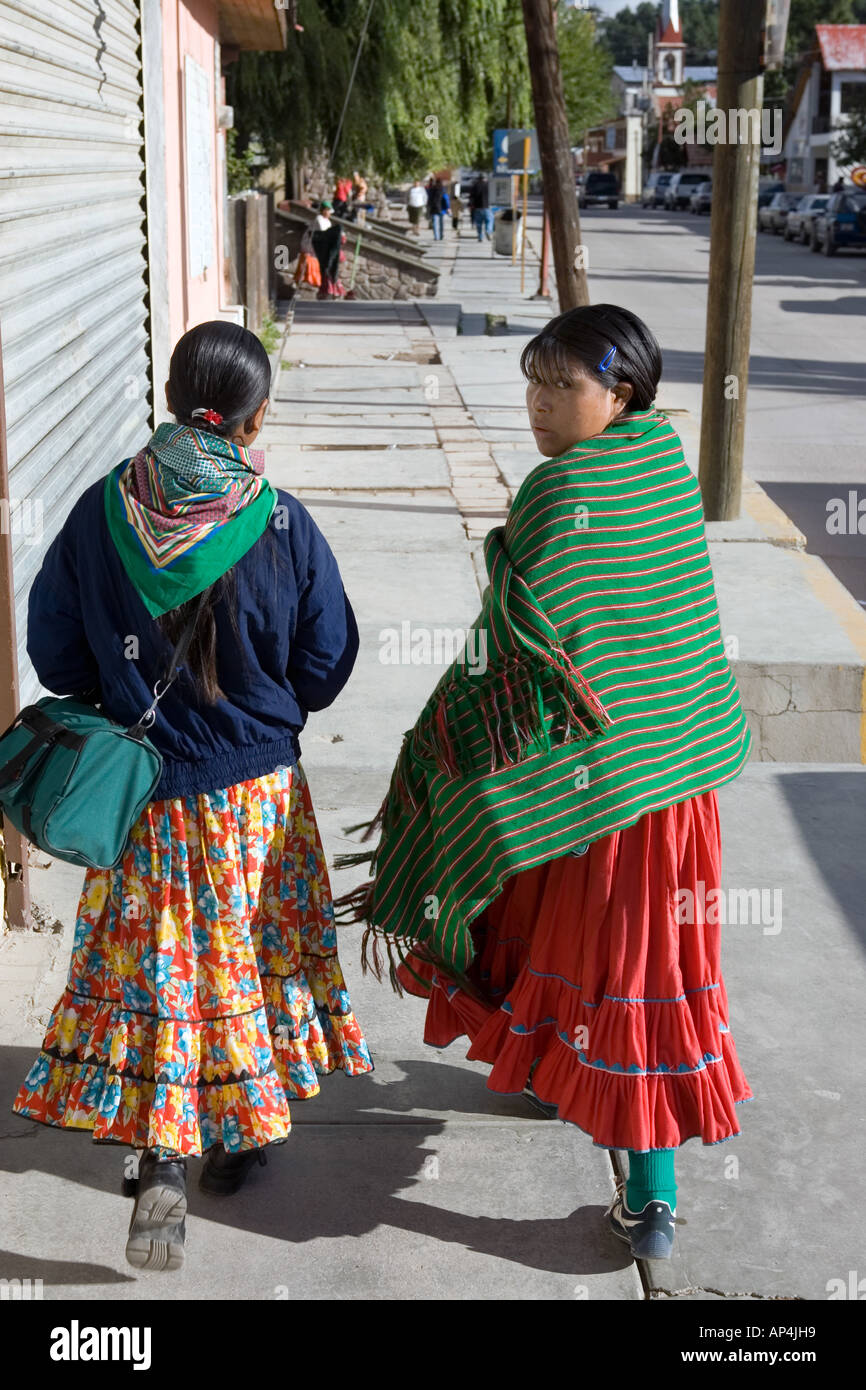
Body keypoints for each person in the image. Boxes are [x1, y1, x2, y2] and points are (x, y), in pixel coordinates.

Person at [335, 304, 753, 1265]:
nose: (539, 404)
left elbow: (511, 651)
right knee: (617, 958)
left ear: (623, 393)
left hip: (607, 795)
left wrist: (441, 745)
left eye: (563, 386)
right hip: (674, 778)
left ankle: (652, 1198)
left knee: (625, 974)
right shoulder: (661, 469)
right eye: (534, 382)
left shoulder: (564, 493)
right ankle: (564, 1084)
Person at [13, 320, 373, 1272]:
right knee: (247, 966)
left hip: (145, 801)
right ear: (253, 421)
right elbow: (329, 660)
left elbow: (52, 654)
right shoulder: (282, 519)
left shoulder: (101, 511)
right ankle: (232, 1142)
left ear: (173, 400)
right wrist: (265, 710)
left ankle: (160, 1154)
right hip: (255, 801)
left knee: (164, 975)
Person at [312, 201, 345, 299]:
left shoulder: (327, 221)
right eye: (328, 211)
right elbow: (323, 234)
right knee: (326, 270)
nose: (330, 214)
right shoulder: (319, 219)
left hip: (327, 249)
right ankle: (326, 290)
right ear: (324, 210)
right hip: (321, 249)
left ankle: (332, 290)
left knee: (330, 270)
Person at [469, 174, 492, 240]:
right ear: (485, 178)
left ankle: (480, 236)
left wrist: (471, 205)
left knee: (479, 223)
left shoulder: (475, 186)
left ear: (478, 179)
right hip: (487, 207)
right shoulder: (489, 185)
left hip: (477, 208)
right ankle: (488, 231)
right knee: (489, 221)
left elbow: (471, 197)